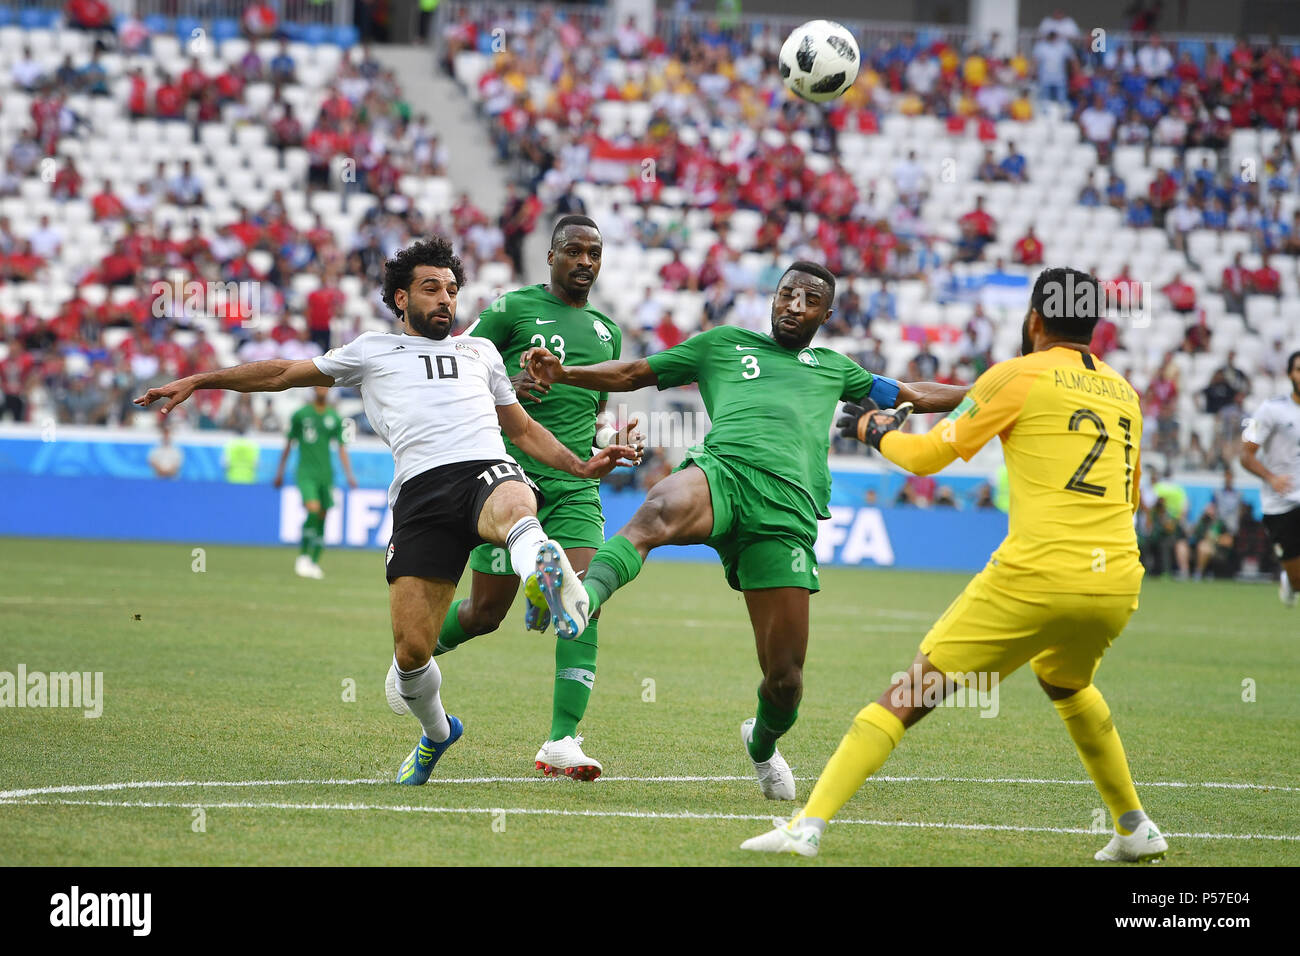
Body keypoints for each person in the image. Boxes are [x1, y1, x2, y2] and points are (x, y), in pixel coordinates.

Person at [135, 237, 637, 785]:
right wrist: (201, 380)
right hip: (421, 495)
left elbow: (518, 430)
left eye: (451, 290)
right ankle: (439, 732)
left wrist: (581, 466)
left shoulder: (481, 354)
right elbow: (281, 374)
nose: (445, 299)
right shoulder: (372, 351)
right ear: (400, 299)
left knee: (516, 499)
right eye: (431, 289)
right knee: (412, 653)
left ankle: (542, 569)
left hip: (484, 470)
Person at [742, 267, 1167, 862]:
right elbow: (1130, 494)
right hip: (1118, 578)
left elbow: (925, 456)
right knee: (1067, 681)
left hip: (1039, 574)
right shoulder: (1126, 393)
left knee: (909, 692)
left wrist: (874, 430)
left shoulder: (1017, 375)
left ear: (1035, 320)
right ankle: (1133, 826)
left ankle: (805, 827)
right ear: (1094, 326)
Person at [522, 261, 967, 800]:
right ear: (773, 298)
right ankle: (581, 601)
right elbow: (633, 373)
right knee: (656, 510)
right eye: (787, 294)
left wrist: (991, 391)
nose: (794, 306)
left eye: (809, 301)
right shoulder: (723, 344)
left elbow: (913, 394)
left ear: (827, 314)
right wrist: (564, 373)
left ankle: (761, 743)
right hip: (723, 475)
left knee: (785, 681)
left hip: (786, 515)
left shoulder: (836, 368)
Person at [426, 215, 645, 781]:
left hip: (573, 484)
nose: (585, 261)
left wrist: (609, 444)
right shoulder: (511, 309)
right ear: (550, 256)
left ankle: (563, 739)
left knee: (582, 598)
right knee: (482, 614)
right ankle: (413, 662)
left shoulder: (606, 332)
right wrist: (509, 391)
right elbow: (455, 371)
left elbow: (589, 415)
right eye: (574, 251)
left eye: (594, 252)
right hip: (503, 481)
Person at [273, 386, 358, 580]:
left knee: (323, 516)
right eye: (318, 385)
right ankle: (303, 557)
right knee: (313, 509)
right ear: (313, 389)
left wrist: (349, 475)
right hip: (305, 472)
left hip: (326, 474)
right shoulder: (300, 415)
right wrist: (280, 472)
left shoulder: (334, 417)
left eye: (325, 386)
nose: (322, 389)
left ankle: (314, 561)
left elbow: (341, 448)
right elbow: (288, 444)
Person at [1241, 349, 1300, 608]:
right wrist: (1272, 478)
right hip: (1281, 501)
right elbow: (1246, 455)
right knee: (1298, 580)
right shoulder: (1270, 409)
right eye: (1299, 369)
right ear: (1290, 375)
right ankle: (1291, 580)